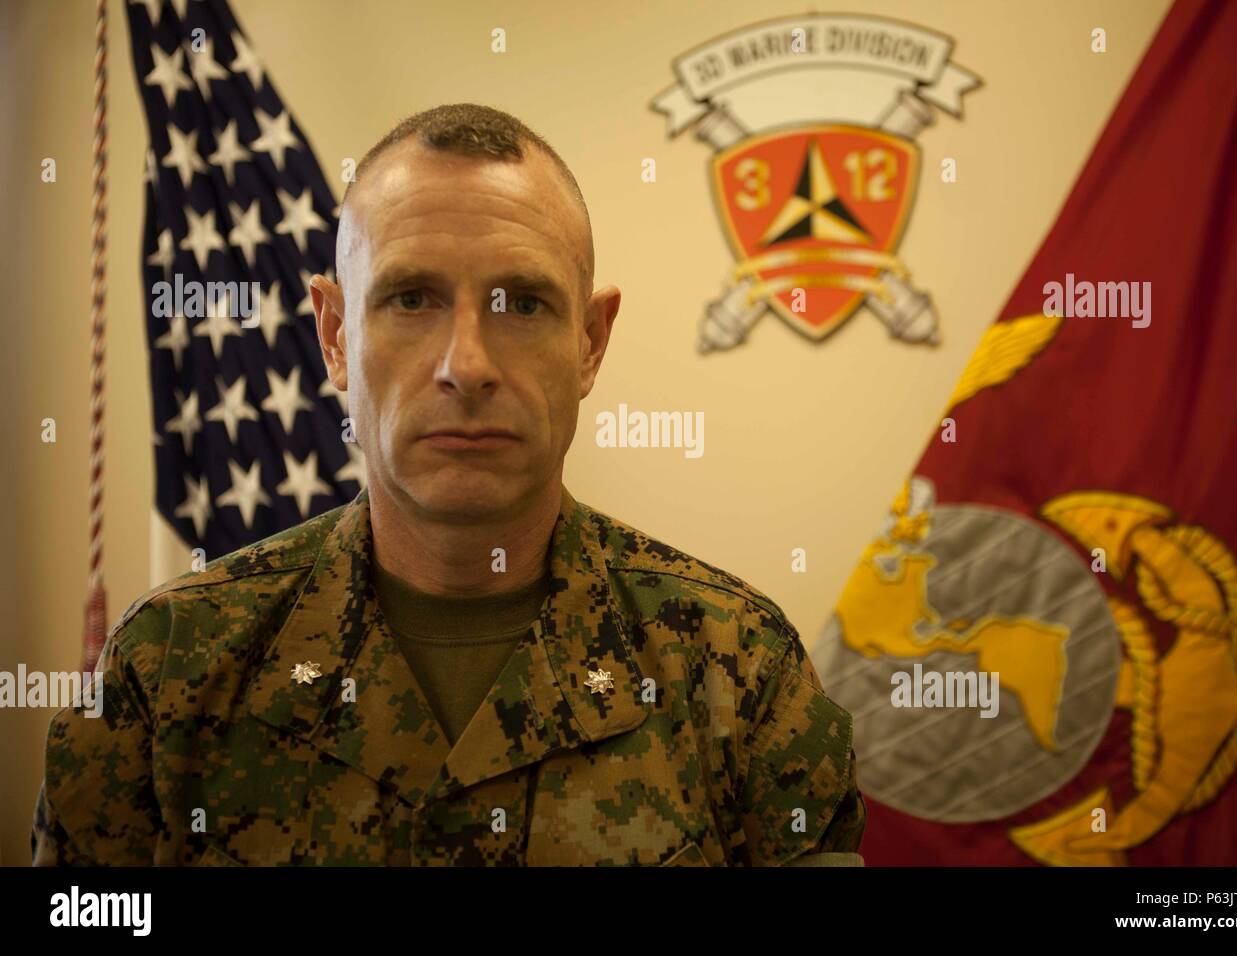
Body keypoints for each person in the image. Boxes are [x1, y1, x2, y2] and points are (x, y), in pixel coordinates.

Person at [33, 103, 866, 866]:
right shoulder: (166, 674)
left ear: (590, 340)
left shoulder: (738, 670)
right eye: (410, 298)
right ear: (333, 337)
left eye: (523, 304)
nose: (465, 366)